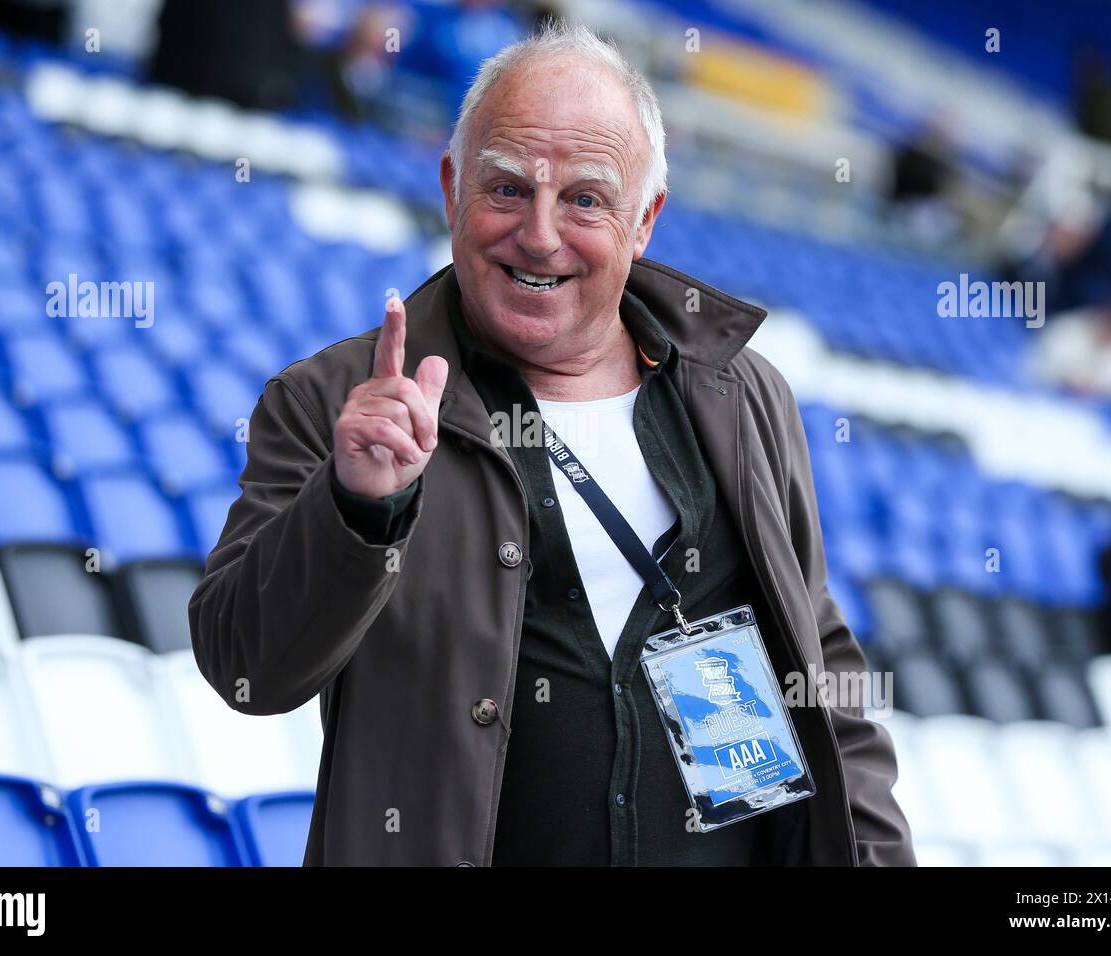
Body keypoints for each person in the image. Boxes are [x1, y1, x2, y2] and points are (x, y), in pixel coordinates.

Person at [189, 20, 915, 866]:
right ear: (452, 185)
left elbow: (818, 661)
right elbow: (248, 668)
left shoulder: (744, 392)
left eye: (585, 198)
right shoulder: (336, 402)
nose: (540, 235)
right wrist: (357, 509)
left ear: (645, 220)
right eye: (506, 189)